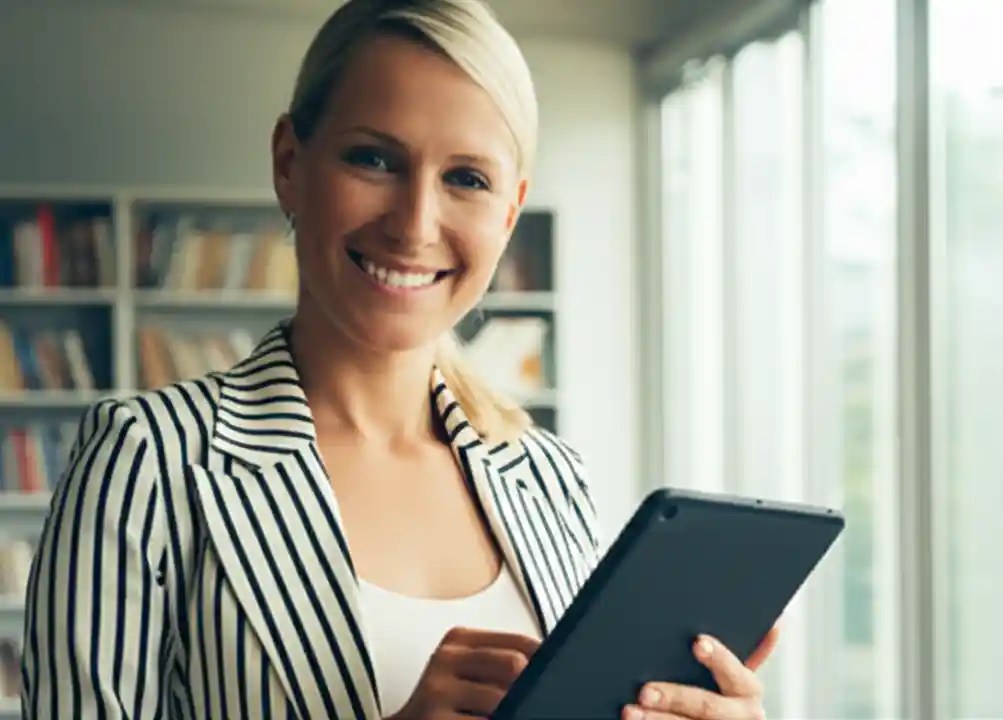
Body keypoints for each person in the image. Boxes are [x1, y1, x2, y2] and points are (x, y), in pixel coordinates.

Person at [20, 1, 779, 718]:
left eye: (466, 179)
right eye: (374, 159)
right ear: (290, 162)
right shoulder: (148, 458)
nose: (415, 224)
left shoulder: (549, 475)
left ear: (509, 211)